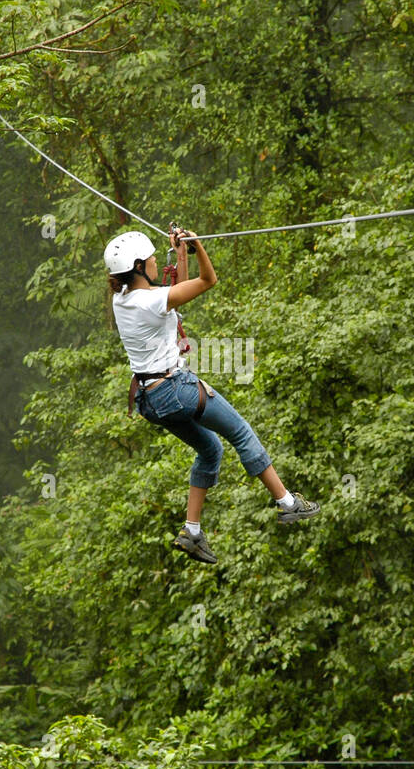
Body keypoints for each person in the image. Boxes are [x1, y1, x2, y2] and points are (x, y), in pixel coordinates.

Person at [104, 226, 320, 564]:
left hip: (150, 400)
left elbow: (178, 293)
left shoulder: (124, 301)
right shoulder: (150, 301)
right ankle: (287, 503)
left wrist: (180, 255)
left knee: (210, 449)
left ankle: (192, 531)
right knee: (240, 431)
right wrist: (198, 247)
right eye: (150, 259)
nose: (154, 260)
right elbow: (208, 282)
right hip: (175, 389)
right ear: (137, 266)